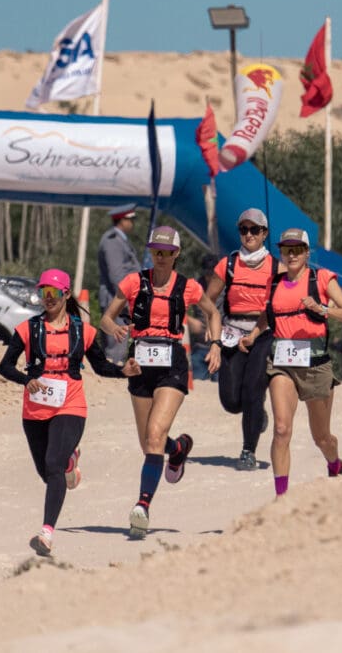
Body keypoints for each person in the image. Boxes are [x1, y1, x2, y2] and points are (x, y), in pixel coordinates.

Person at [0, 269, 139, 556]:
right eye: (42, 293)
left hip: (70, 404)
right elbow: (5, 366)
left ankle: (46, 533)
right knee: (48, 473)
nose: (47, 298)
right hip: (35, 409)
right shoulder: (27, 329)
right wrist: (26, 380)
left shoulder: (83, 331)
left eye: (52, 293)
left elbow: (100, 366)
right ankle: (70, 463)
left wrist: (123, 371)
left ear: (65, 294)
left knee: (53, 464)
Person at [100, 226, 222, 538]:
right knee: (149, 443)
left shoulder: (188, 286)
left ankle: (142, 506)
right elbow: (106, 317)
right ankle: (178, 448)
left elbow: (212, 313)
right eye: (157, 252)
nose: (162, 257)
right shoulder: (133, 282)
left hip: (172, 364)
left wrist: (216, 344)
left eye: (167, 252)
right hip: (139, 364)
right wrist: (115, 328)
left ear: (176, 254)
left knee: (155, 435)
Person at [239, 228, 342, 497]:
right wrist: (253, 335)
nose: (291, 255)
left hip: (316, 365)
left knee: (322, 438)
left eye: (297, 250)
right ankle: (281, 497)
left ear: (306, 253)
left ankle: (334, 462)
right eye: (286, 250)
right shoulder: (273, 283)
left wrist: (322, 308)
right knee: (281, 429)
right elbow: (268, 314)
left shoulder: (322, 278)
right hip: (282, 364)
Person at [203, 208, 277, 470]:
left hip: (262, 333)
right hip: (231, 332)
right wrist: (211, 326)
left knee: (253, 391)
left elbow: (281, 303)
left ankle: (248, 451)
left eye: (254, 229)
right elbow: (208, 300)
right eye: (244, 229)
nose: (249, 234)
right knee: (231, 401)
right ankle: (257, 413)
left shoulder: (275, 267)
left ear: (264, 233)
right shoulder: (228, 264)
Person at [97, 204, 141, 364]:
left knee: (119, 346)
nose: (132, 223)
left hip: (119, 299)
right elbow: (116, 275)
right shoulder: (113, 242)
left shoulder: (120, 240)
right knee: (116, 349)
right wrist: (128, 300)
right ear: (122, 221)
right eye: (130, 220)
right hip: (116, 300)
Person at [187, 253, 220, 381]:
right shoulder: (196, 286)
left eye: (212, 275)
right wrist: (188, 320)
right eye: (207, 274)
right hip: (200, 347)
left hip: (221, 348)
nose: (209, 278)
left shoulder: (227, 288)